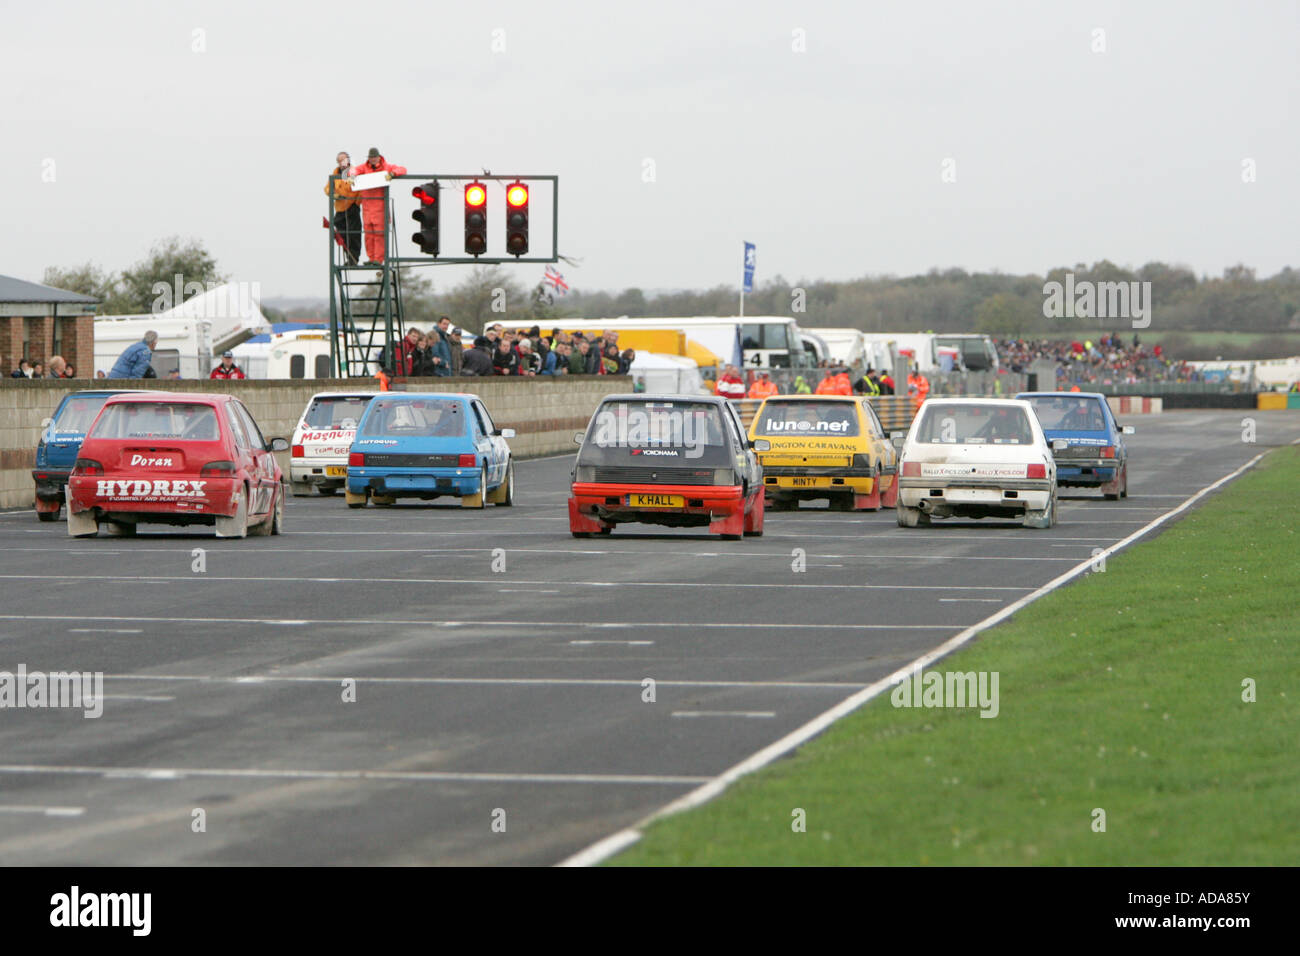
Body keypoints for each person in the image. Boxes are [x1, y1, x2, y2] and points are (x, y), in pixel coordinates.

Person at [350, 147, 407, 266]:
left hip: (381, 207)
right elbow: (353, 171)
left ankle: (378, 259)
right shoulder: (364, 167)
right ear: (369, 158)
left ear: (379, 157)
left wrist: (392, 174)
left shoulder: (387, 167)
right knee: (369, 235)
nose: (373, 160)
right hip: (367, 207)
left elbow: (402, 169)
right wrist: (352, 176)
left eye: (375, 157)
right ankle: (371, 258)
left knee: (379, 234)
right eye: (371, 158)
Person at [325, 151, 361, 265]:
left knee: (354, 234)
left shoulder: (354, 172)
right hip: (340, 209)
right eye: (340, 161)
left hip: (352, 207)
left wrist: (356, 203)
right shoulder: (335, 175)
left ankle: (353, 258)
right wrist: (333, 194)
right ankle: (348, 255)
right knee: (341, 234)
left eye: (344, 160)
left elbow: (361, 188)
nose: (342, 163)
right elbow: (327, 188)